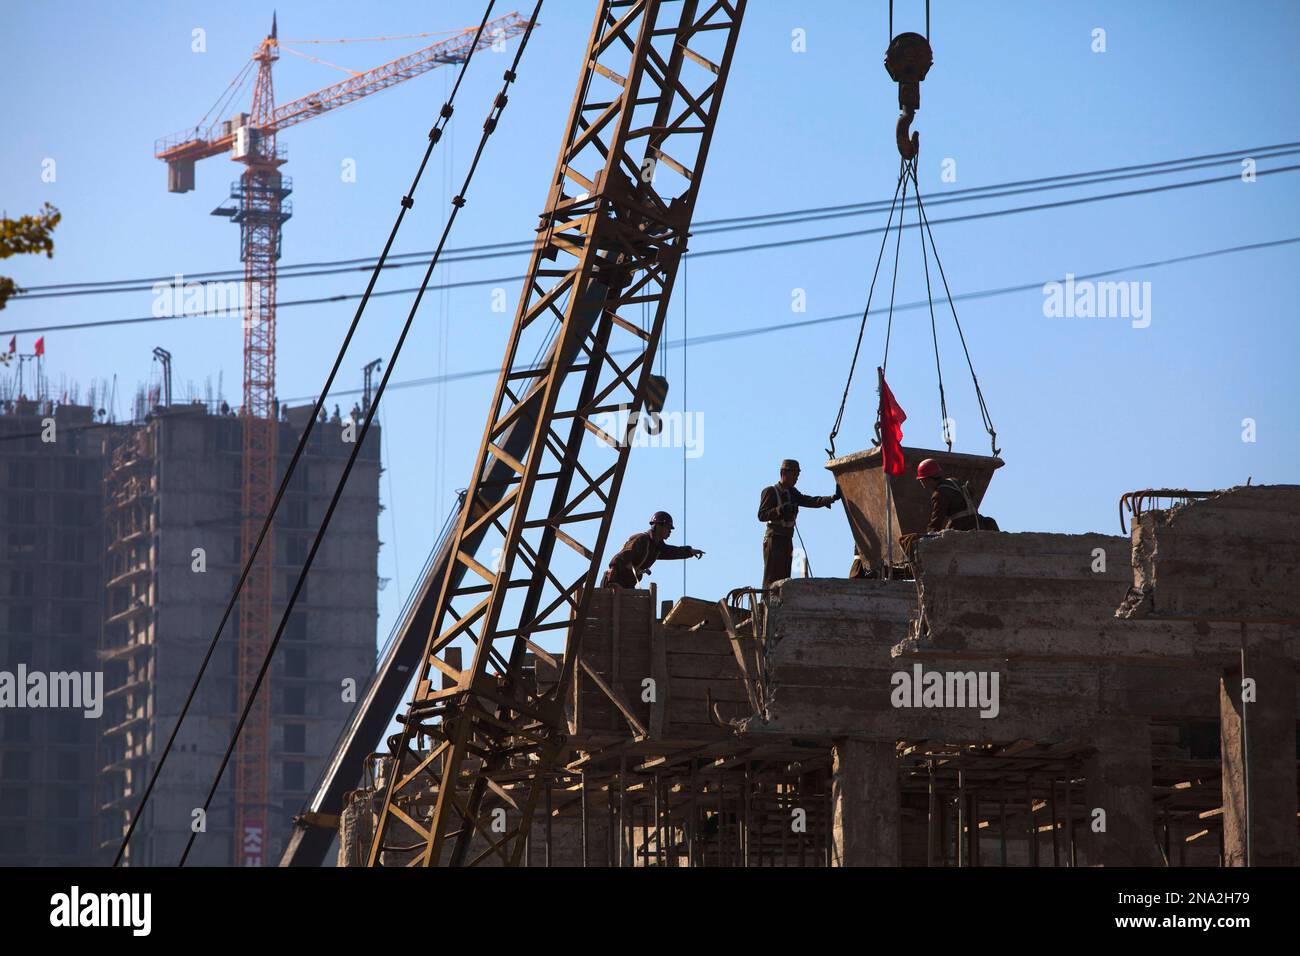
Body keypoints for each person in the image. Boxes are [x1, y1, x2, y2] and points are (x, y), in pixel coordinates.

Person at [757, 459, 841, 586]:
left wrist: (831, 498)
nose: (797, 478)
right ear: (784, 473)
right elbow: (762, 515)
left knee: (784, 577)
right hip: (774, 539)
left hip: (787, 539)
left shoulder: (792, 493)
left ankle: (780, 603)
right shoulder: (770, 492)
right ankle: (766, 603)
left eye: (798, 475)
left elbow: (809, 501)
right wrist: (781, 510)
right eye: (794, 474)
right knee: (772, 576)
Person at [899, 458, 999, 558]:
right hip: (978, 524)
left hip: (963, 529)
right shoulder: (954, 481)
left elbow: (937, 520)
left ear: (927, 479)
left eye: (921, 480)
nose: (921, 483)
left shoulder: (940, 493)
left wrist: (927, 537)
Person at [602, 511, 704, 589]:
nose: (670, 531)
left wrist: (689, 551)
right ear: (659, 526)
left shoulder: (657, 547)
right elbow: (618, 560)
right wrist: (612, 582)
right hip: (615, 584)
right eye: (668, 527)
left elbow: (672, 552)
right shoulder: (641, 540)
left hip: (627, 586)